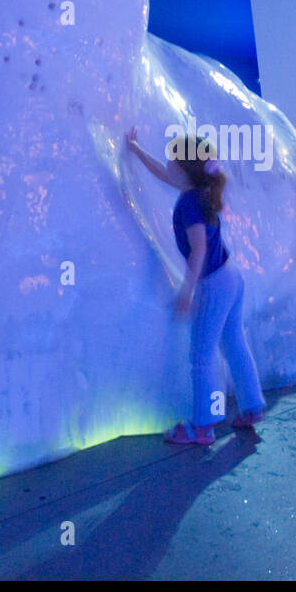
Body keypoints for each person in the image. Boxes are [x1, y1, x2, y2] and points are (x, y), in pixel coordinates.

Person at [125, 126, 266, 446]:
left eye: (173, 159)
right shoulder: (197, 193)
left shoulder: (189, 202)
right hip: (231, 278)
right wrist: (135, 149)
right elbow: (163, 173)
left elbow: (199, 248)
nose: (168, 164)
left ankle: (202, 426)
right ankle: (252, 406)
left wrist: (187, 291)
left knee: (201, 355)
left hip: (214, 283)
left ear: (185, 168)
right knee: (234, 344)